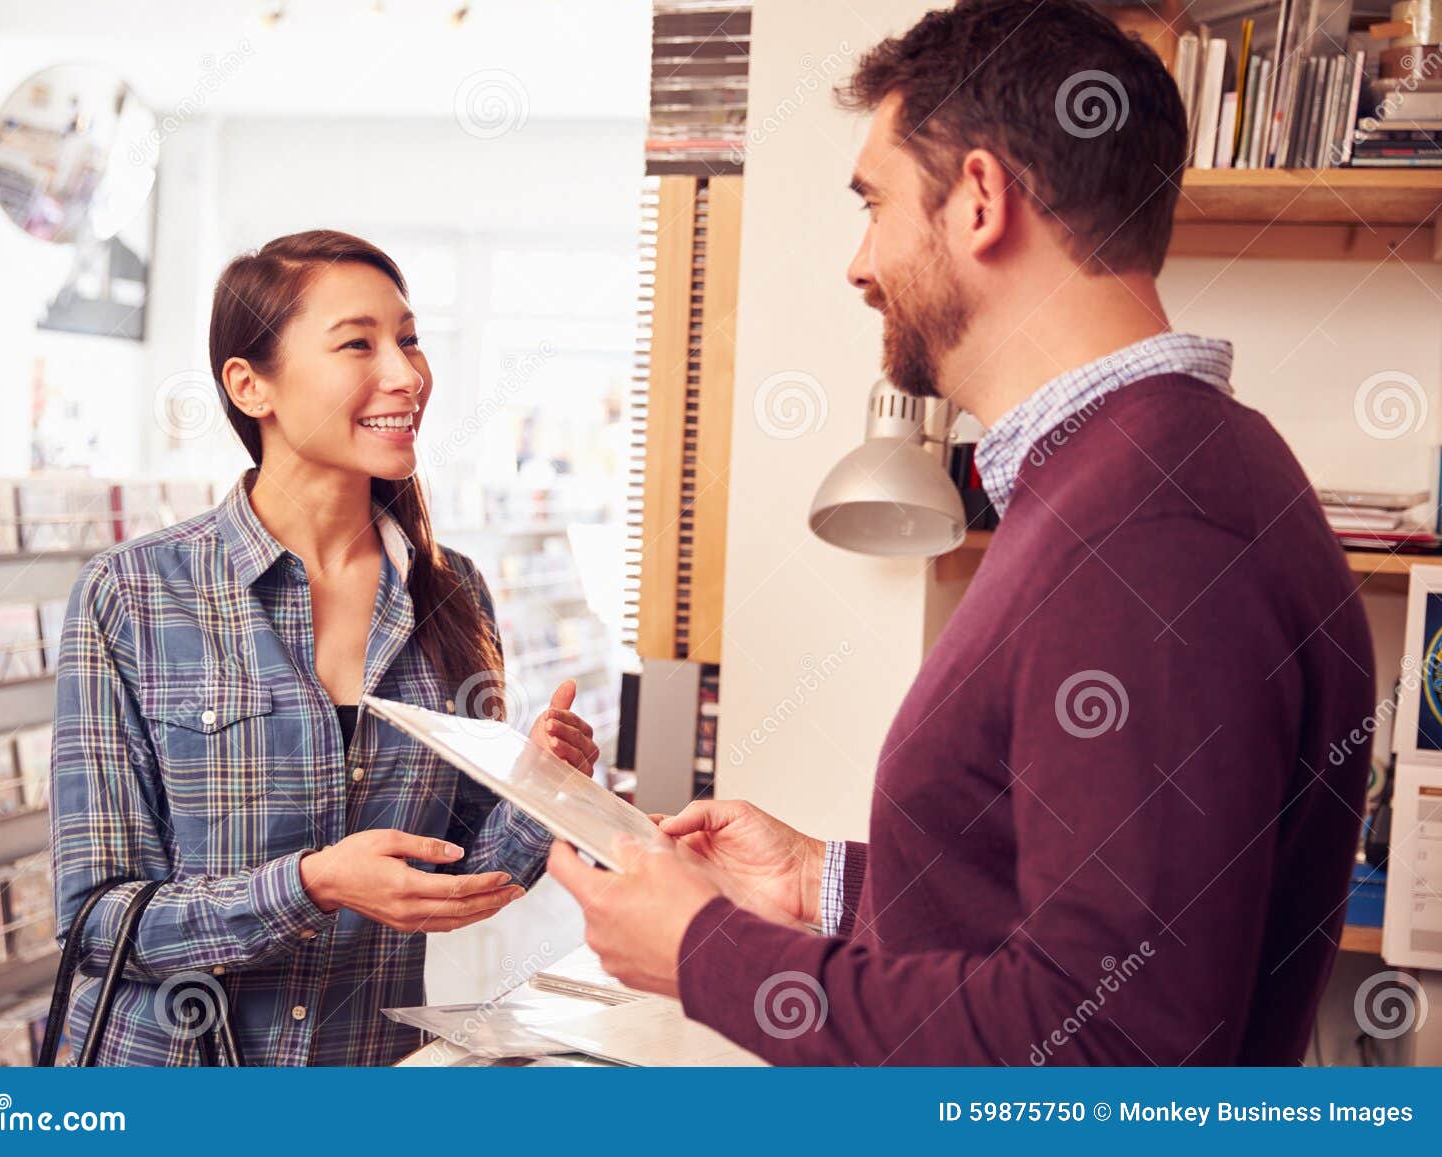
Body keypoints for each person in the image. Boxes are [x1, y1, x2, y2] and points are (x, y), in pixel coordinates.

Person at [549, 0, 1376, 1065]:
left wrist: (706, 952)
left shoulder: (1153, 525)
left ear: (978, 198)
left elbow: (1110, 1049)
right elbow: (1064, 923)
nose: (858, 265)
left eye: (873, 204)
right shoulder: (1141, 472)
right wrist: (820, 885)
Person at [51, 229, 600, 1066]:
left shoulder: (452, 594)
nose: (407, 374)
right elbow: (98, 921)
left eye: (410, 340)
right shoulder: (131, 593)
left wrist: (541, 789)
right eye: (359, 344)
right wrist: (314, 885)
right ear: (250, 384)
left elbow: (455, 879)